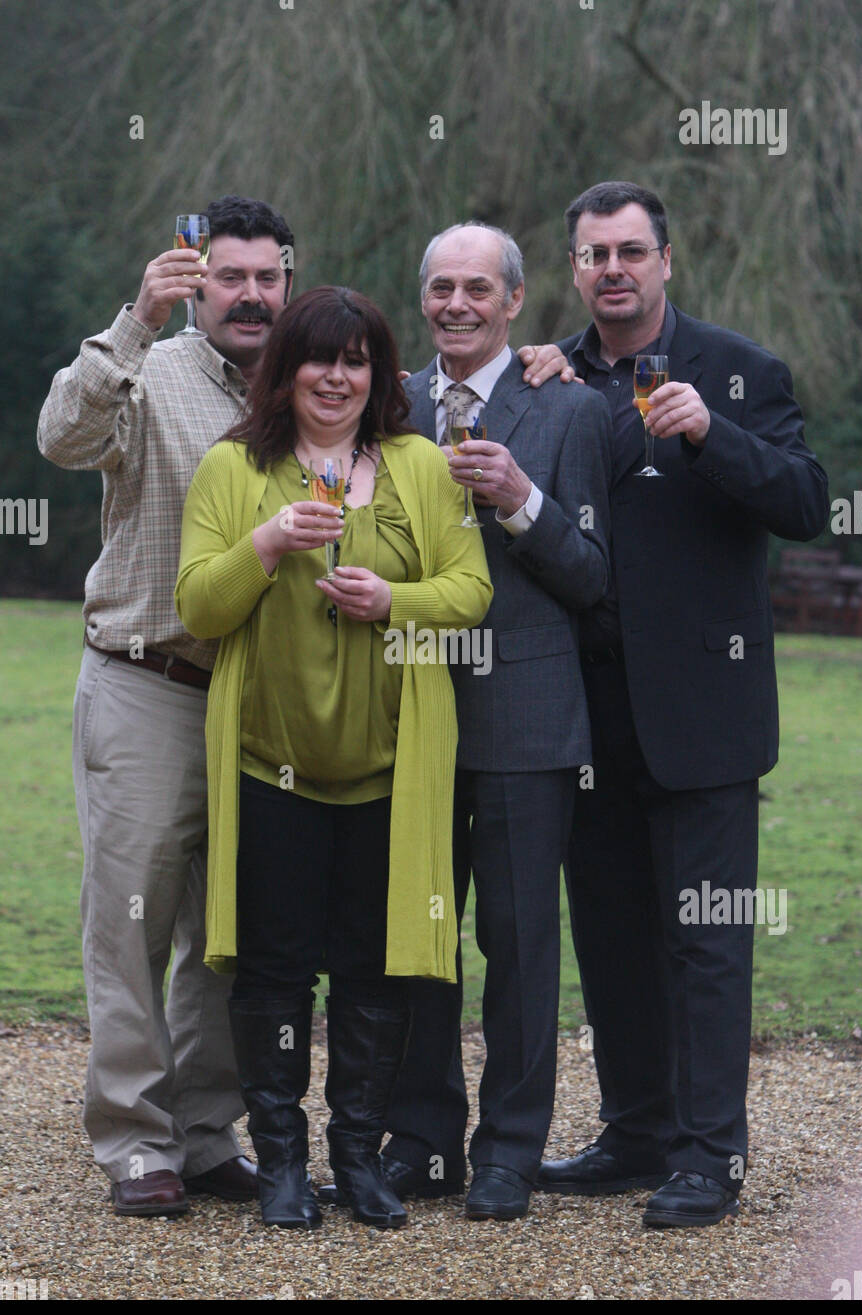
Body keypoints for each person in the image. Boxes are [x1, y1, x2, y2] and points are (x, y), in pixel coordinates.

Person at [527, 181, 829, 1227]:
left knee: (706, 945)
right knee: (609, 935)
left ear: (666, 261)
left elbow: (806, 502)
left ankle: (709, 1156)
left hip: (705, 712)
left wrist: (712, 435)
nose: (612, 268)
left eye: (629, 251)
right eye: (593, 254)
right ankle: (637, 1130)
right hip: (587, 712)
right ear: (573, 269)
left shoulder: (741, 371)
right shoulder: (548, 375)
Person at [174, 285, 493, 1231]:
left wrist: (393, 603)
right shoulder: (236, 468)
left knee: (371, 968)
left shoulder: (419, 466)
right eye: (320, 358)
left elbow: (469, 588)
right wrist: (268, 544)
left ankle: (357, 1160)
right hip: (267, 764)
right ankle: (279, 1163)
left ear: (378, 374)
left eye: (356, 360)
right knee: (273, 971)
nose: (337, 376)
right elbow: (197, 607)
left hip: (389, 771)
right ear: (287, 368)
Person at [36, 195, 294, 1216]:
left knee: (223, 932)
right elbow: (62, 434)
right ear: (196, 282)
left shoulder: (306, 383)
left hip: (257, 696)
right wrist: (134, 320)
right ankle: (135, 1139)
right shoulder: (149, 369)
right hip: (147, 681)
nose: (250, 293)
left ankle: (202, 1131)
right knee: (134, 924)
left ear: (288, 278)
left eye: (267, 276)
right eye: (228, 275)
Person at [376, 222, 612, 1221]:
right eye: (440, 288)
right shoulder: (389, 405)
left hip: (526, 715)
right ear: (422, 298)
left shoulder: (571, 410)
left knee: (517, 945)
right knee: (422, 940)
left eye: (478, 288)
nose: (457, 304)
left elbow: (596, 578)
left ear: (515, 301)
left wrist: (521, 501)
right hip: (413, 713)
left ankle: (511, 1149)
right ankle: (423, 1139)